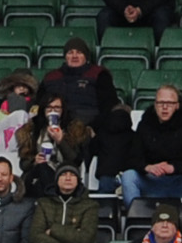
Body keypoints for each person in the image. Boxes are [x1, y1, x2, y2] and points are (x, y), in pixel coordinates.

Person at [39, 38, 132, 186]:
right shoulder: (52, 77)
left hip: (89, 125)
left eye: (79, 52)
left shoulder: (99, 74)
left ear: (86, 56)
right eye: (70, 52)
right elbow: (40, 103)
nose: (74, 56)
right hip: (56, 122)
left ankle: (77, 181)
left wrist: (93, 127)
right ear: (65, 56)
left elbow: (109, 106)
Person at [121, 85, 182, 211]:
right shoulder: (145, 125)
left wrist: (173, 168)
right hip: (151, 180)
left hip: (179, 181)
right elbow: (131, 158)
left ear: (177, 105)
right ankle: (136, 219)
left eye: (170, 103)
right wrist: (148, 167)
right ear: (155, 105)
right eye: (161, 103)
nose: (165, 107)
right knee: (129, 176)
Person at [15, 93, 93, 196]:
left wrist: (60, 141)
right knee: (42, 169)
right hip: (36, 174)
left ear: (63, 110)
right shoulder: (33, 130)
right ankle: (51, 197)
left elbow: (75, 161)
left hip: (64, 173)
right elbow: (23, 164)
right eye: (49, 107)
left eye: (57, 107)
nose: (53, 111)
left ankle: (51, 198)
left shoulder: (73, 130)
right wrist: (34, 160)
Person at [28, 164, 100, 243]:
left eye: (72, 175)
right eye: (63, 174)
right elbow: (35, 238)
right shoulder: (43, 204)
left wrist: (53, 230)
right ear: (56, 179)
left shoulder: (90, 206)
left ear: (78, 180)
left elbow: (84, 240)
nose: (68, 178)